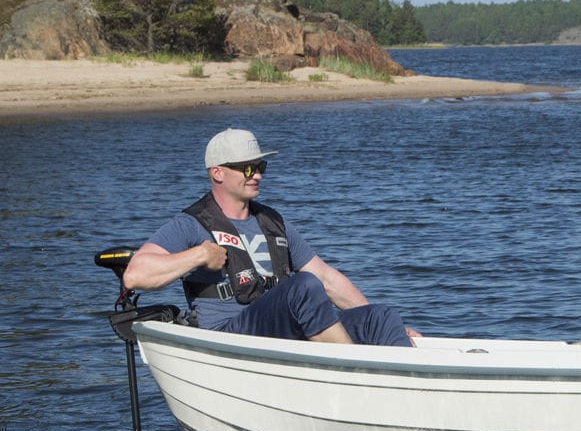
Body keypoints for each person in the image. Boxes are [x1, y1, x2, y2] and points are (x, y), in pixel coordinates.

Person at [123, 128, 415, 347]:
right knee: (302, 286)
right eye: (247, 168)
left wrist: (397, 329)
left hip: (281, 327)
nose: (257, 175)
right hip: (232, 335)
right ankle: (357, 375)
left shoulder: (272, 221)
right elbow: (135, 276)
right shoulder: (190, 225)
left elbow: (326, 278)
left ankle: (407, 387)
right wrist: (198, 255)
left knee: (382, 316)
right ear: (217, 173)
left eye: (260, 167)